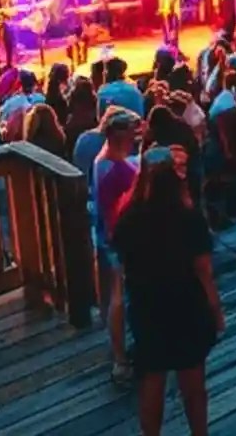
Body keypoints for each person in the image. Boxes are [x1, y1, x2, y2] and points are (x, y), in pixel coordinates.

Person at [113, 146, 222, 436]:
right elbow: (204, 272)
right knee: (193, 382)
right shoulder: (190, 220)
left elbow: (122, 269)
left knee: (152, 380)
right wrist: (216, 310)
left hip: (147, 307)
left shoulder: (128, 219)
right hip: (187, 306)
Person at [92, 106, 142, 385]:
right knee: (119, 299)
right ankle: (122, 360)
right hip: (119, 239)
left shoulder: (103, 161)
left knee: (114, 297)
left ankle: (119, 353)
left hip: (105, 236)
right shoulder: (121, 170)